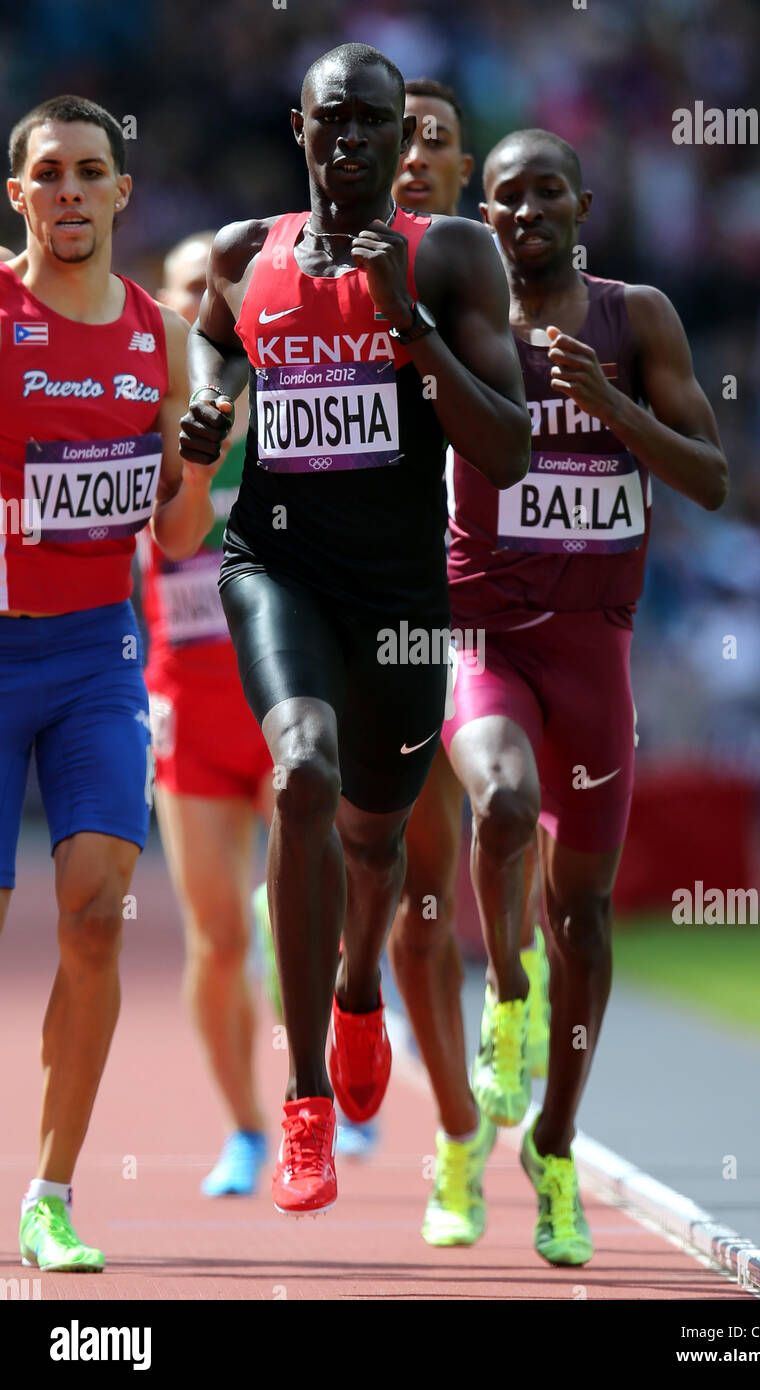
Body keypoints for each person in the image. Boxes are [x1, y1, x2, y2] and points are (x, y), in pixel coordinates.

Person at [179, 42, 530, 1217]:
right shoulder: (248, 251)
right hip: (275, 564)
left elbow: (509, 447)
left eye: (376, 123)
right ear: (300, 126)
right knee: (304, 773)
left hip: (403, 602)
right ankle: (307, 1101)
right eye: (332, 119)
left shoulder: (456, 255)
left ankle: (360, 989)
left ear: (404, 139)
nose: (353, 140)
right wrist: (210, 397)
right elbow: (216, 331)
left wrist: (408, 325)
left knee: (377, 844)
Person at [403, 127, 729, 1264]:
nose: (526, 210)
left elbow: (714, 477)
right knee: (499, 800)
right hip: (486, 635)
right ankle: (507, 1000)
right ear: (480, 217)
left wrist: (615, 409)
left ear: (583, 203)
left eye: (547, 191)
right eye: (504, 197)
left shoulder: (636, 318)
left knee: (586, 916)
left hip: (598, 655)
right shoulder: (453, 314)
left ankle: (554, 1145)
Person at [0, 95, 201, 1270]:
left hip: (94, 655)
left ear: (123, 192)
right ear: (19, 195)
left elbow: (177, 537)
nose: (69, 191)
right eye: (47, 175)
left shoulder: (160, 336)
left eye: (91, 171)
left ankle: (50, 1190)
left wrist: (193, 456)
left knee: (93, 915)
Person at [389, 80, 551, 1248]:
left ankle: (519, 992)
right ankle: (456, 1136)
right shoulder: (323, 284)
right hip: (390, 624)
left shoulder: (500, 299)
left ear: (464, 177)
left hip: (489, 623)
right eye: (389, 140)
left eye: (431, 143)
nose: (405, 158)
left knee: (507, 822)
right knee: (417, 900)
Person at [138, 231, 273, 1196]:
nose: (199, 308)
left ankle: (329, 1065)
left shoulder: (281, 415)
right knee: (219, 940)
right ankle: (243, 1128)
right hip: (188, 706)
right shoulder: (137, 414)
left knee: (334, 914)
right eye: (183, 291)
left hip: (285, 694)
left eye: (213, 291)